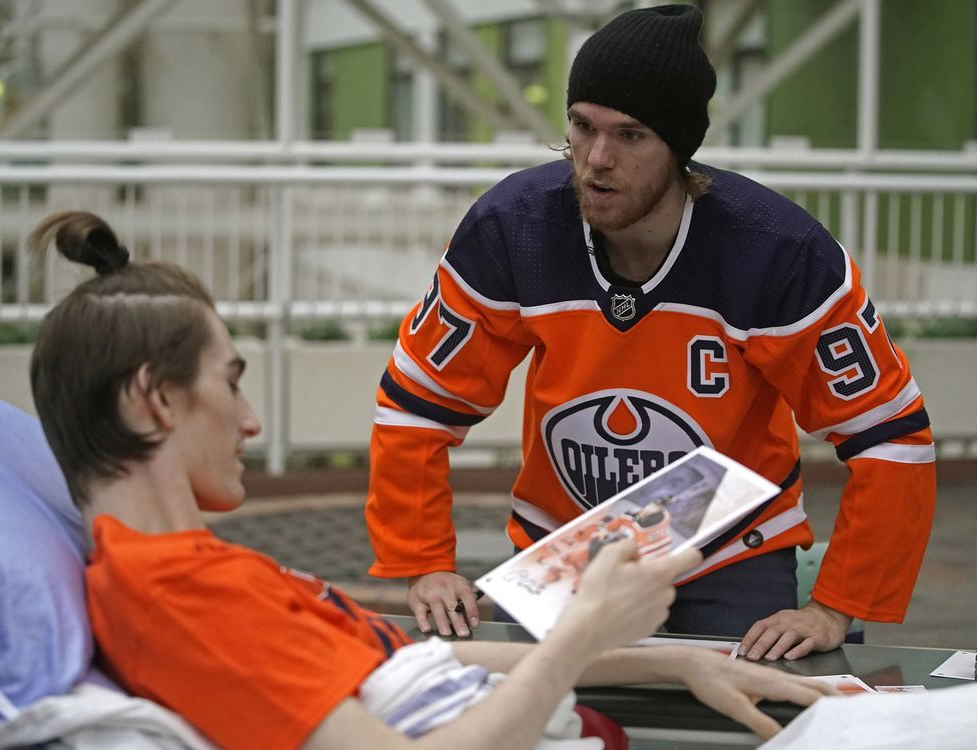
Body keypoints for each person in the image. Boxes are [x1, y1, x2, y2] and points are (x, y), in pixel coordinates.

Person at [26, 210, 834, 749]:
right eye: (231, 380)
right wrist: (584, 631)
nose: (250, 422)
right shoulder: (174, 595)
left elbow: (398, 664)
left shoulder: (193, 573)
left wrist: (674, 662)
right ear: (155, 398)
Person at [365, 3, 937, 661]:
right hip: (571, 542)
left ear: (679, 146)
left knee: (749, 715)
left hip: (726, 539)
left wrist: (837, 607)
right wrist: (423, 560)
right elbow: (415, 404)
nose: (596, 160)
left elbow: (892, 438)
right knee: (518, 715)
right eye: (582, 127)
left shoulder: (780, 253)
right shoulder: (510, 228)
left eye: (630, 135)